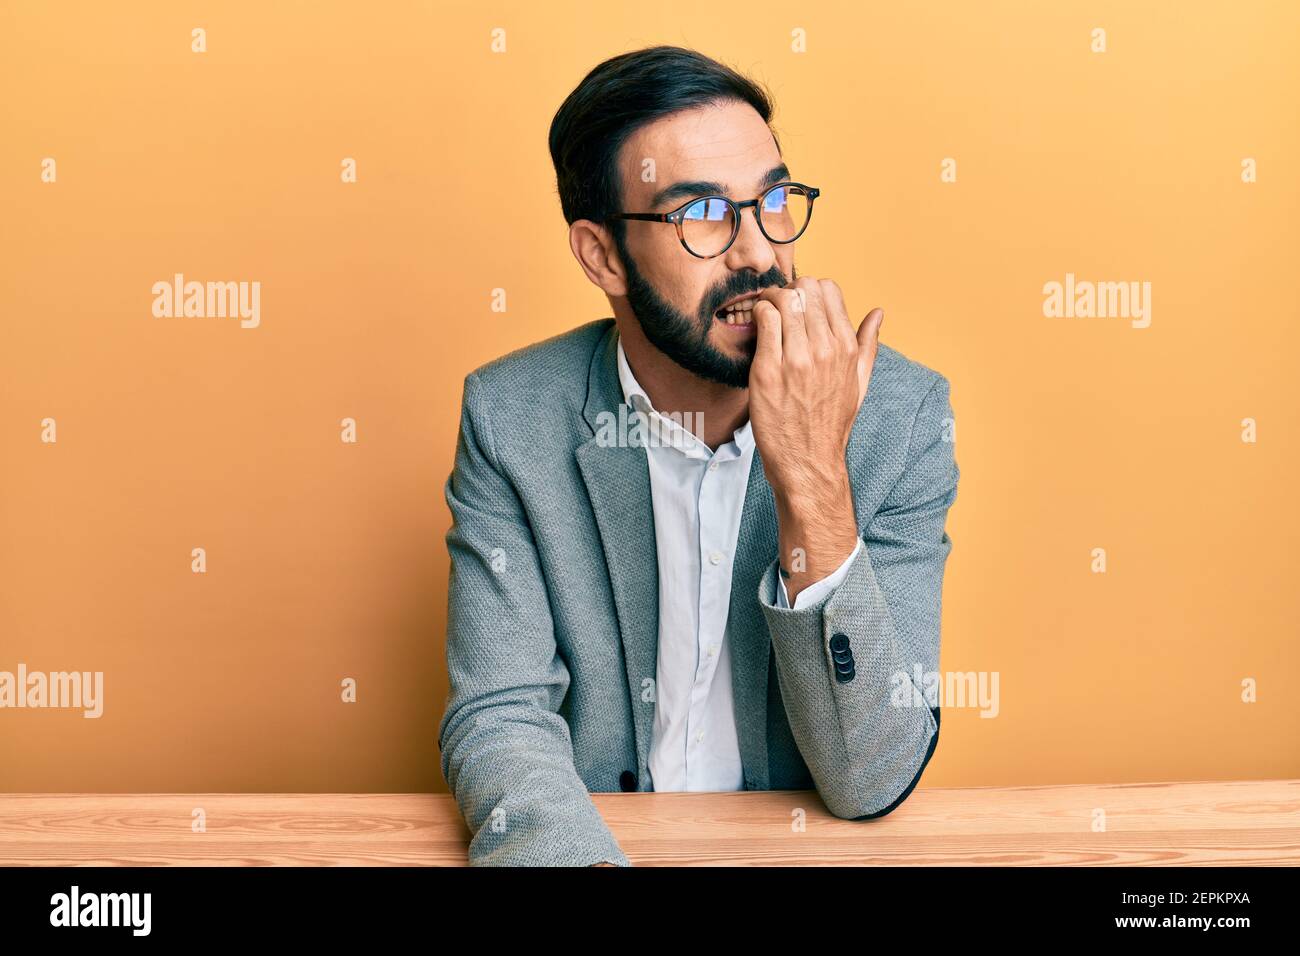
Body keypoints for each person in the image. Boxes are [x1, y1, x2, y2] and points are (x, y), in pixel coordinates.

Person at [438, 45, 958, 866]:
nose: (757, 254)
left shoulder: (899, 417)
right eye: (702, 216)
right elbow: (501, 720)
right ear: (602, 255)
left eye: (773, 201)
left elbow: (873, 775)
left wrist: (812, 479)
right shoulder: (513, 418)